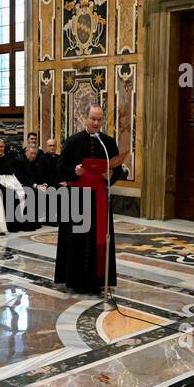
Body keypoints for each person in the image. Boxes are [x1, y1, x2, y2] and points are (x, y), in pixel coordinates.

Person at [54, 105, 127, 294]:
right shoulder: (72, 141)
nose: (96, 123)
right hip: (77, 197)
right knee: (76, 239)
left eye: (99, 119)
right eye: (93, 119)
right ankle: (75, 280)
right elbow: (60, 168)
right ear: (85, 118)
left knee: (99, 239)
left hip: (100, 197)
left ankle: (98, 280)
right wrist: (74, 171)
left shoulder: (108, 143)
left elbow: (117, 169)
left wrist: (110, 173)